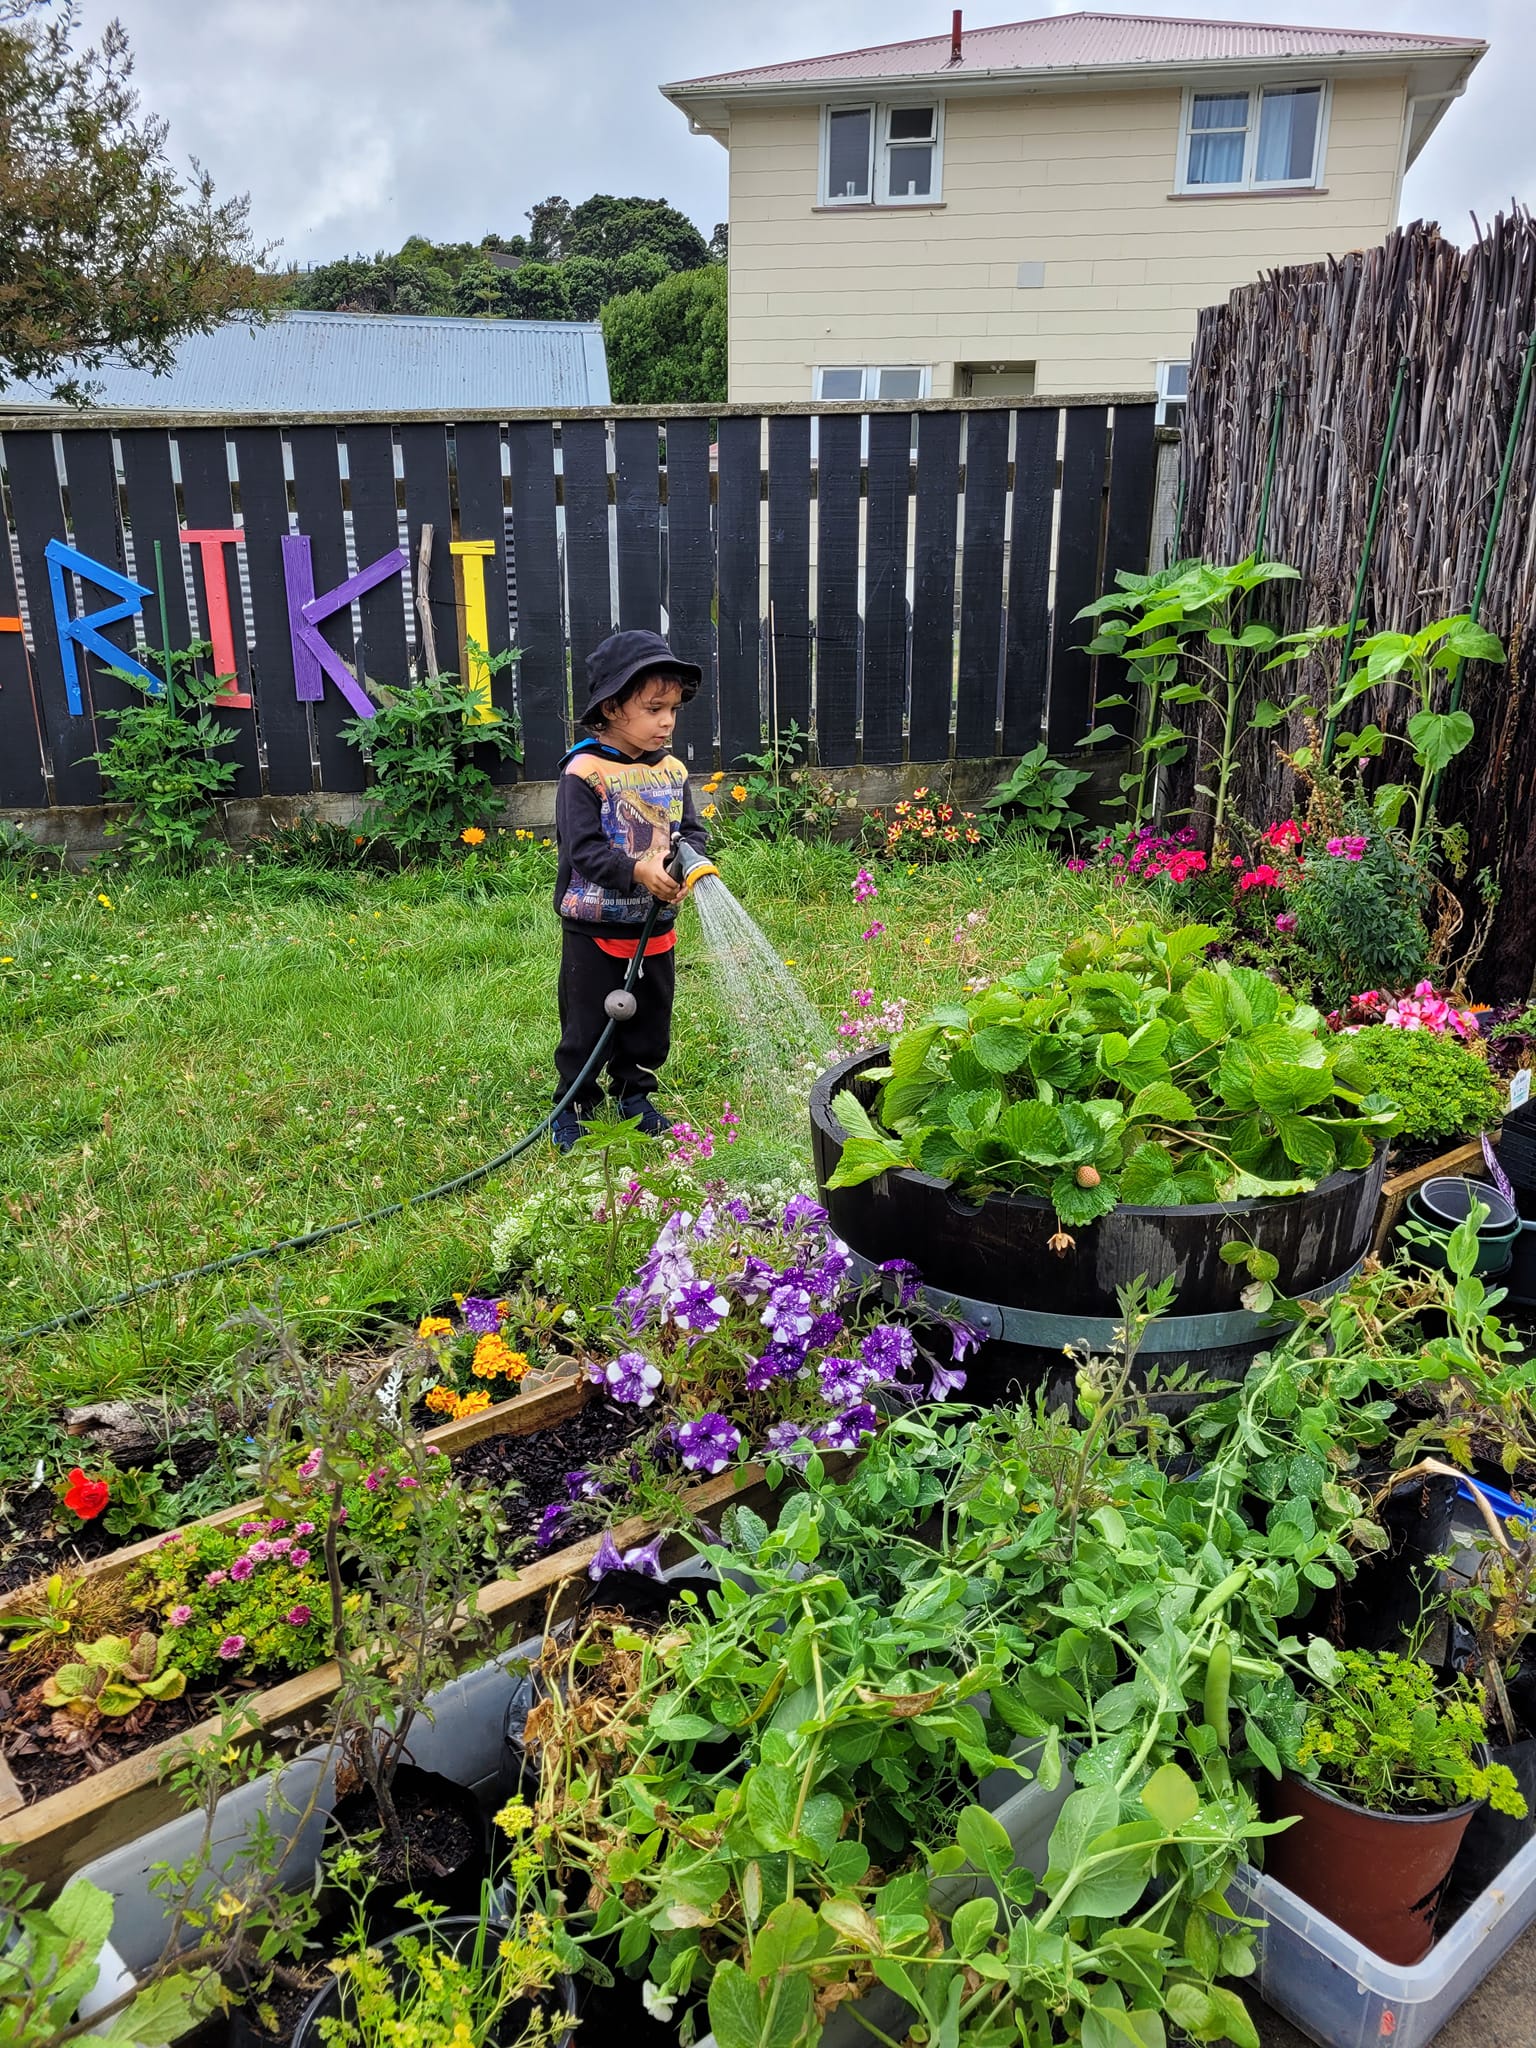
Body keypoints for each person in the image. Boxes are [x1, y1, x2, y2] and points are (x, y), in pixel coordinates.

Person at [550, 628, 710, 1152]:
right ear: (613, 708)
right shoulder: (585, 772)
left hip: (654, 925)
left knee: (649, 1020)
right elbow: (584, 850)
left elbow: (691, 831)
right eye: (654, 708)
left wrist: (685, 866)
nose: (667, 720)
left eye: (673, 709)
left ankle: (635, 1093)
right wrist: (639, 871)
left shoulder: (671, 771)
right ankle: (574, 1102)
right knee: (588, 1023)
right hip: (594, 928)